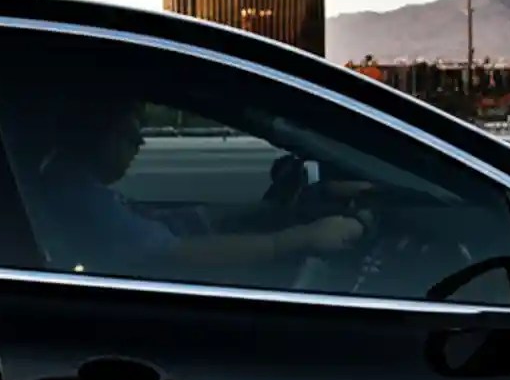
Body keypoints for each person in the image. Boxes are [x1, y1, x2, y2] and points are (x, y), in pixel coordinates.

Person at [33, 95, 366, 277]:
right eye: (129, 133)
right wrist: (300, 238)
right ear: (92, 132)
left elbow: (160, 220)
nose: (140, 144)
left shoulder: (73, 186)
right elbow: (175, 254)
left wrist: (264, 212)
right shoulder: (79, 197)